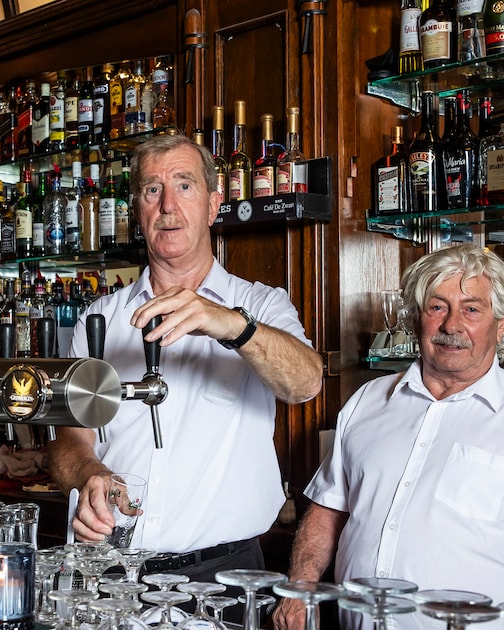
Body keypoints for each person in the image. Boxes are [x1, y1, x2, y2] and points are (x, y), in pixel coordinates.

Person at [274, 244, 504, 630]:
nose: (452, 325)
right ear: (415, 319)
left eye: (471, 309)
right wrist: (299, 590)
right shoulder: (368, 401)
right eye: (437, 307)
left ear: (501, 324)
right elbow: (329, 507)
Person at [49, 133, 323, 582]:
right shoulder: (99, 318)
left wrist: (229, 324)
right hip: (111, 572)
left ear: (214, 205)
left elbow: (305, 382)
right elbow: (67, 440)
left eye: (184, 185)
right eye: (152, 190)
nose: (168, 206)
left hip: (221, 577)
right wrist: (88, 473)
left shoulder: (262, 305)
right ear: (138, 210)